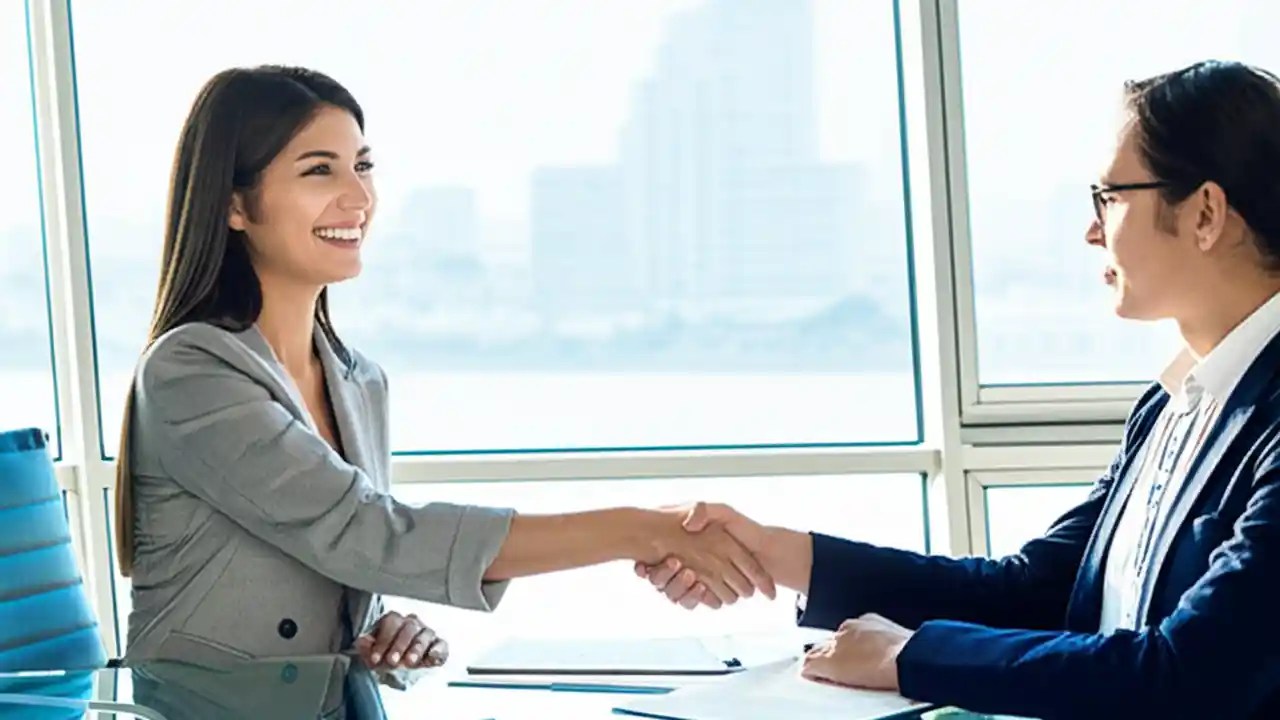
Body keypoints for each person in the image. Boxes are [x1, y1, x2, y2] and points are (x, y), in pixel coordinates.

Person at [113, 65, 775, 713]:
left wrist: (382, 632)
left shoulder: (357, 379)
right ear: (234, 205)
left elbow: (349, 555)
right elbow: (365, 530)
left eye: (363, 166)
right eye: (319, 171)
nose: (359, 197)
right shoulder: (190, 370)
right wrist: (641, 531)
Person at [639, 60, 1280, 719]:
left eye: (1109, 198)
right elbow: (1032, 591)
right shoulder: (1171, 407)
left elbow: (1191, 673)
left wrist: (906, 657)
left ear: (1205, 214)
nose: (1092, 231)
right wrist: (777, 553)